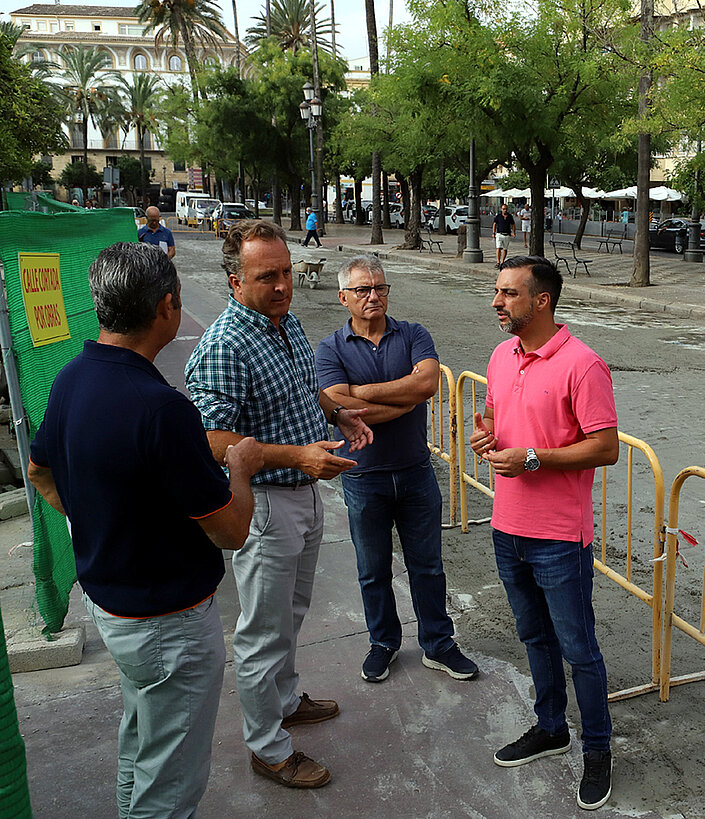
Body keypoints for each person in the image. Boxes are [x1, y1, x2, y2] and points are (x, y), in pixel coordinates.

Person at [27, 242, 264, 817]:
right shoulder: (161, 409)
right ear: (166, 306)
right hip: (168, 624)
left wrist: (98, 524)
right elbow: (231, 531)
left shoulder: (71, 378)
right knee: (171, 781)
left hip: (113, 607)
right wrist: (242, 466)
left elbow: (39, 471)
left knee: (143, 744)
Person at [185, 219, 372, 789]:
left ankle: (285, 700)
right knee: (262, 632)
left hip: (302, 494)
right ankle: (267, 748)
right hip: (265, 505)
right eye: (268, 276)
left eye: (287, 272)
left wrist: (336, 413)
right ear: (235, 281)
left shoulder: (280, 322)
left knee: (290, 613)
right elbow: (210, 441)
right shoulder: (225, 344)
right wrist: (295, 456)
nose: (284, 285)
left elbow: (299, 386)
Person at [469, 256, 619, 811]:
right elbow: (493, 416)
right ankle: (551, 727)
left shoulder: (583, 365)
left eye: (508, 293)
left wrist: (533, 457)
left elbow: (606, 447)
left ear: (542, 301)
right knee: (534, 636)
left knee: (580, 649)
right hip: (506, 527)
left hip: (559, 537)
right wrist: (486, 436)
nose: (497, 301)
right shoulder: (501, 356)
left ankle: (598, 750)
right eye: (497, 291)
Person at [315, 255, 479, 684]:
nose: (374, 296)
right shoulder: (331, 348)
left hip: (415, 472)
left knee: (428, 567)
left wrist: (363, 394)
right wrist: (402, 401)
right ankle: (383, 642)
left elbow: (426, 384)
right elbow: (337, 405)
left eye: (380, 288)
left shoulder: (413, 334)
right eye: (363, 289)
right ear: (343, 297)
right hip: (363, 476)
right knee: (373, 570)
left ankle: (438, 644)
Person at [493, 203, 516, 268]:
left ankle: (502, 262)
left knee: (505, 248)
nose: (505, 210)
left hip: (507, 234)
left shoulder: (510, 216)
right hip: (499, 234)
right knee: (498, 248)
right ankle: (498, 262)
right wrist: (493, 232)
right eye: (503, 209)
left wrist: (513, 232)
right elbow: (494, 224)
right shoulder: (498, 216)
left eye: (506, 209)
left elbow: (513, 224)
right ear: (501, 209)